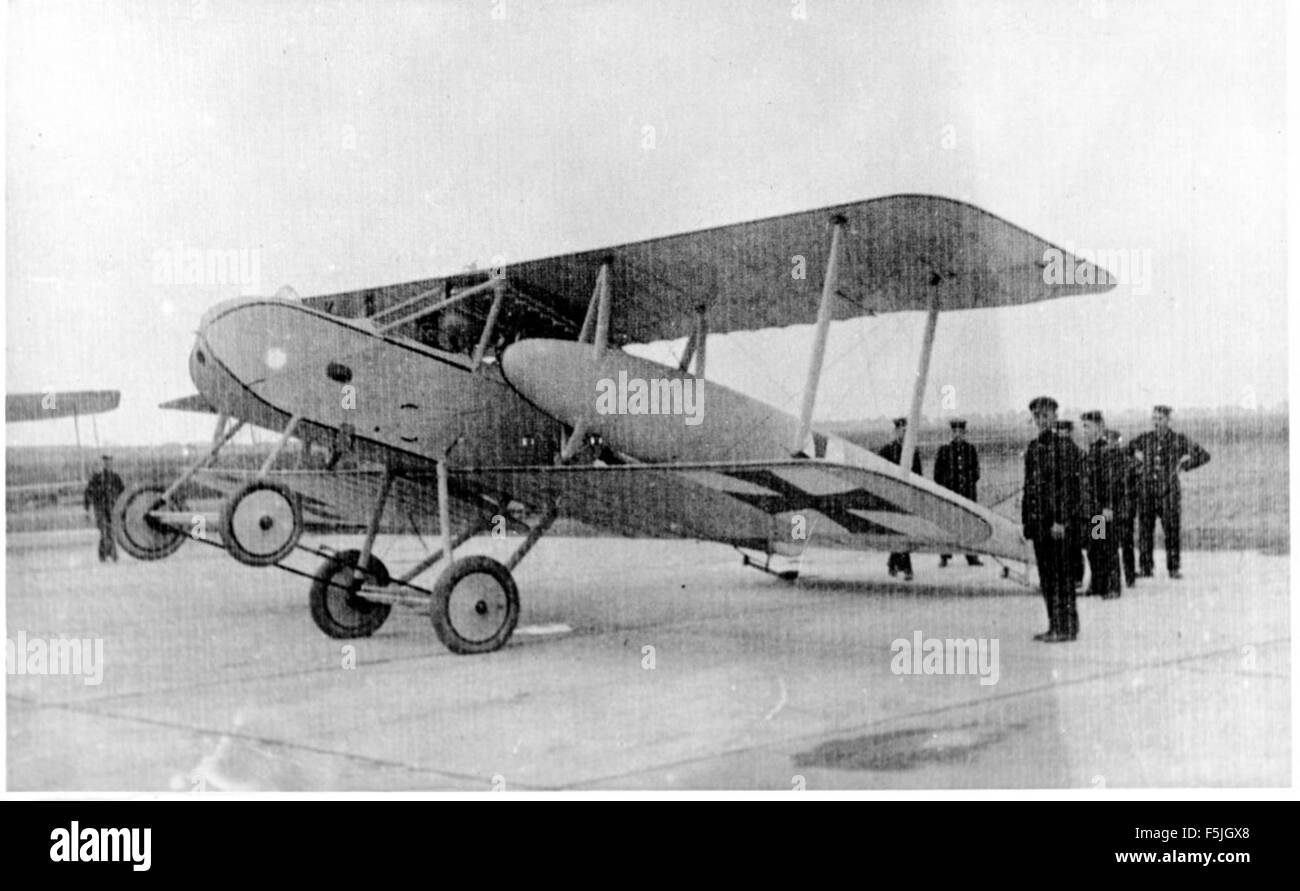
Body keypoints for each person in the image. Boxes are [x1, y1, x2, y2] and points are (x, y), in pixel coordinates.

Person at [1022, 397, 1087, 642]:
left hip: (1059, 526)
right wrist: (1027, 523)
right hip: (1040, 525)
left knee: (1062, 578)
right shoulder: (1033, 448)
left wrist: (1061, 520)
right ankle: (1055, 626)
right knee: (1047, 579)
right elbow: (1029, 488)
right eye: (1037, 416)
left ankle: (1067, 627)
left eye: (1046, 416)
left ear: (1055, 417)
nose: (1041, 420)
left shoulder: (1065, 448)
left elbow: (1069, 488)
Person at [1127, 405, 1211, 579]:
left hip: (1169, 492)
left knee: (1171, 531)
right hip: (1147, 491)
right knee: (1145, 530)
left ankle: (1173, 568)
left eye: (1161, 419)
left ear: (1168, 420)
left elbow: (1203, 455)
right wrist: (1138, 466)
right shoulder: (1145, 438)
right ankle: (1145, 568)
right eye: (1155, 418)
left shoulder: (1178, 439)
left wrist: (1184, 466)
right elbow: (1126, 452)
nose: (1157, 422)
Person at [1080, 411, 1121, 598]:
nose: (1084, 430)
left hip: (1102, 510)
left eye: (1087, 426)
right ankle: (1098, 583)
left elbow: (1110, 481)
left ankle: (1112, 587)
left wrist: (1108, 506)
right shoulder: (1093, 449)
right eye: (1083, 427)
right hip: (1094, 510)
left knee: (1106, 548)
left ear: (1099, 426)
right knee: (1095, 548)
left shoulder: (1106, 451)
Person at [876, 417, 922, 581]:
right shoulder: (887, 451)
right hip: (891, 497)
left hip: (907, 496)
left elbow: (919, 475)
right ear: (895, 432)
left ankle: (893, 563)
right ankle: (905, 568)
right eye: (901, 431)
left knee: (905, 530)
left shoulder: (913, 452)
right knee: (896, 530)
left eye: (906, 431)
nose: (903, 434)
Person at [934, 418, 983, 567]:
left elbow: (976, 473)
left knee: (969, 525)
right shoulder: (944, 451)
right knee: (947, 525)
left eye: (961, 432)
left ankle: (971, 556)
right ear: (952, 433)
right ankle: (944, 556)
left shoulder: (971, 450)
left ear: (964, 433)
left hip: (967, 494)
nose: (958, 435)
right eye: (955, 432)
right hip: (950, 495)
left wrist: (967, 483)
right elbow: (937, 475)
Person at [1054, 419, 1087, 589]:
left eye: (1065, 431)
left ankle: (1078, 578)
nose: (1062, 434)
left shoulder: (1078, 454)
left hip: (1079, 507)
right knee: (1064, 545)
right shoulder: (1054, 453)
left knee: (1079, 544)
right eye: (1059, 431)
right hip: (1064, 505)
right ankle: (1071, 578)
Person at [1106, 429, 1139, 587]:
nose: (1110, 444)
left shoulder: (1128, 462)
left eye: (1113, 441)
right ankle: (1100, 580)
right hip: (1099, 513)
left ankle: (1130, 577)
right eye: (1106, 441)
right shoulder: (1094, 459)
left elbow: (1135, 487)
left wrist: (1129, 509)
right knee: (1098, 544)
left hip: (1122, 511)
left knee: (1126, 544)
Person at [83, 454, 125, 563]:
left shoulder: (116, 478)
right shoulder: (96, 478)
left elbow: (123, 493)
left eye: (110, 462)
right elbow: (88, 493)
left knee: (109, 531)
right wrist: (87, 509)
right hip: (100, 508)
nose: (108, 464)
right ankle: (112, 554)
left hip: (112, 508)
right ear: (103, 463)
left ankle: (104, 554)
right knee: (105, 530)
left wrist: (123, 507)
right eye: (106, 462)